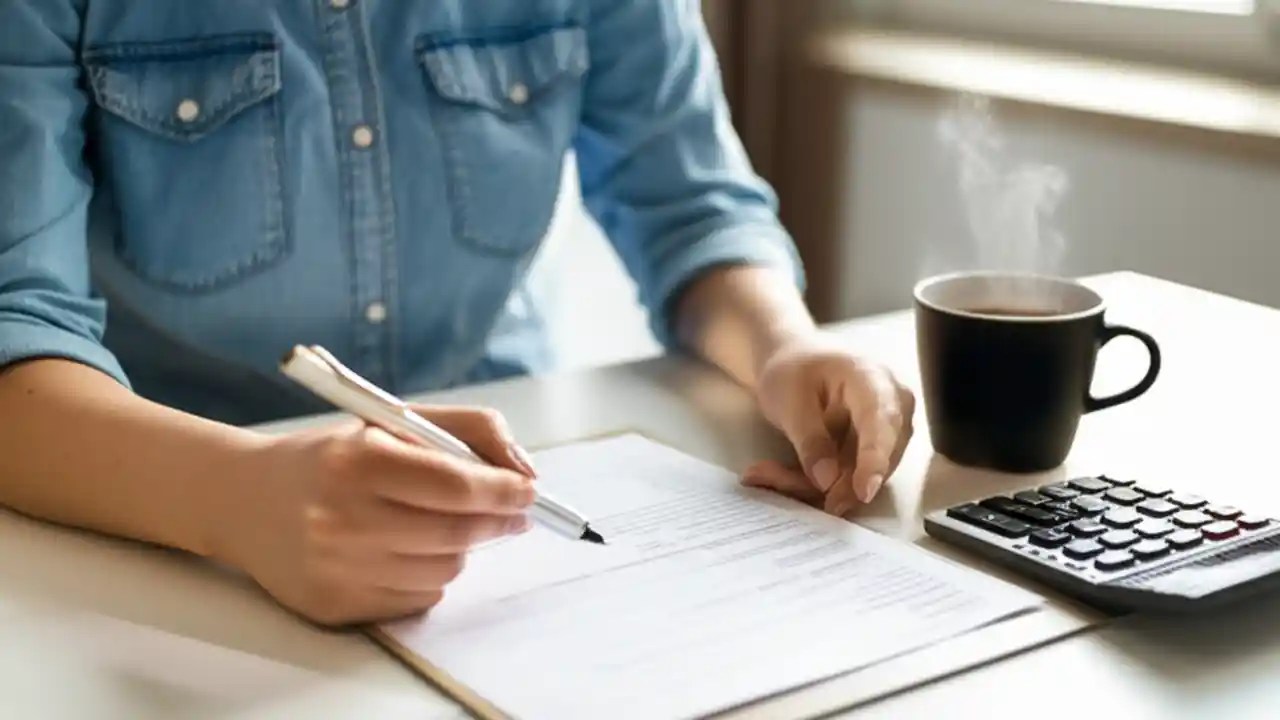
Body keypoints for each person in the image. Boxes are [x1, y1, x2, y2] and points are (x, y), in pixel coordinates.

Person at [0, 1, 914, 625]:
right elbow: (16, 330)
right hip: (157, 527)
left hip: (512, 523)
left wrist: (783, 347)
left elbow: (692, 206)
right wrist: (237, 497)